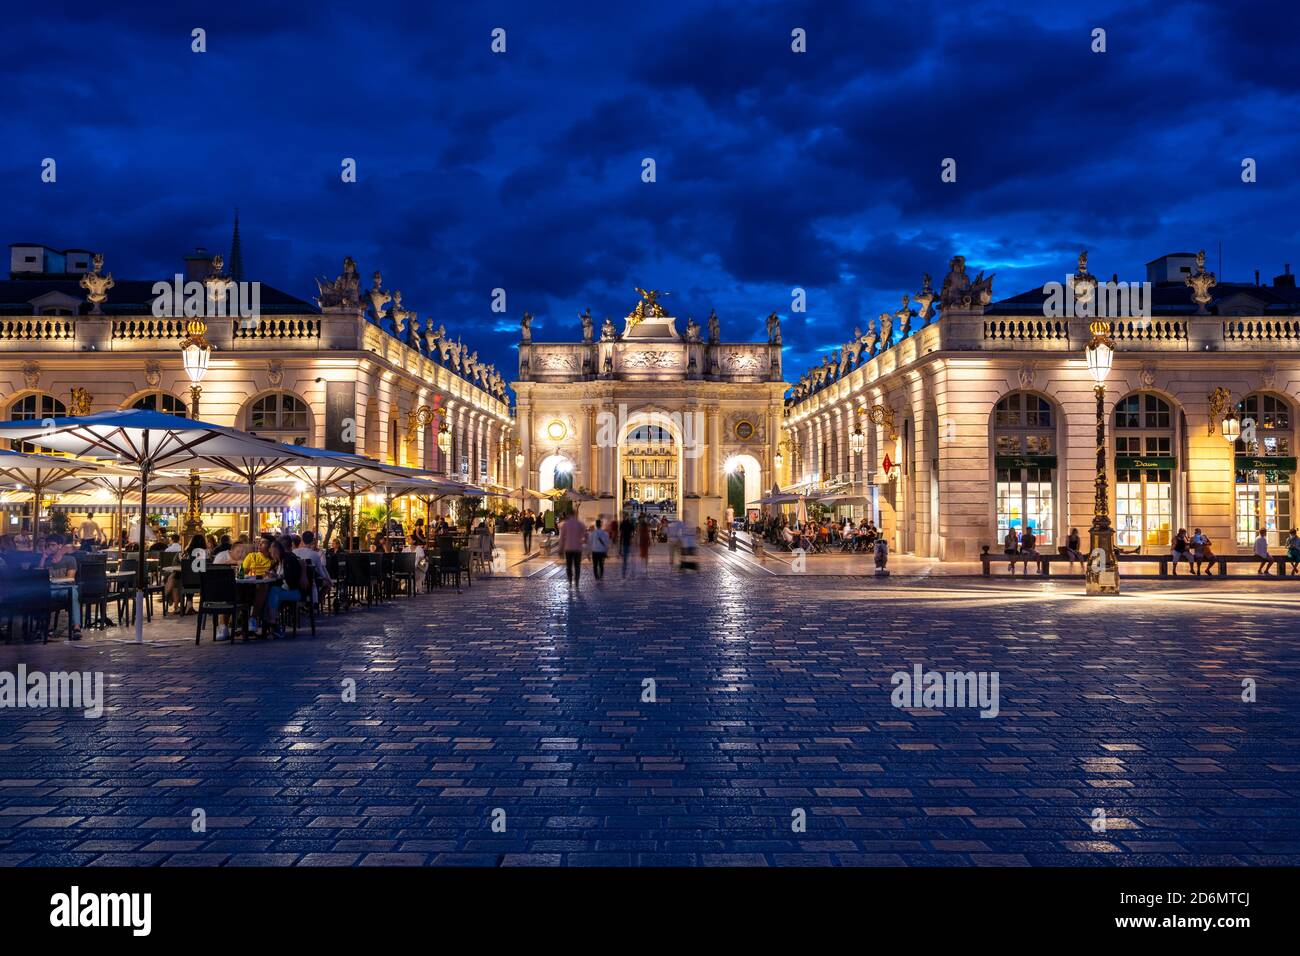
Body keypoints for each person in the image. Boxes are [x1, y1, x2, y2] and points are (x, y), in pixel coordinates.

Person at [294, 530, 332, 605]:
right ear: (312, 541)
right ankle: (316, 602)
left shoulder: (294, 552)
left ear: (302, 540)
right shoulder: (315, 554)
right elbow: (321, 572)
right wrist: (327, 579)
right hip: (311, 582)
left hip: (296, 581)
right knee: (328, 584)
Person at [558, 509, 586, 586]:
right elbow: (584, 536)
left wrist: (560, 549)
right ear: (575, 514)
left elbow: (562, 538)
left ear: (568, 515)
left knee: (569, 565)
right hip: (577, 548)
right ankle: (576, 581)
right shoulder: (580, 524)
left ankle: (570, 580)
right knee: (577, 566)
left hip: (568, 548)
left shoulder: (565, 525)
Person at [619, 512, 635, 577]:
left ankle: (624, 572)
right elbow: (633, 531)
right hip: (628, 542)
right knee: (630, 558)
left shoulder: (623, 523)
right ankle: (630, 572)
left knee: (625, 559)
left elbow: (621, 533)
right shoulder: (629, 523)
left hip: (625, 542)